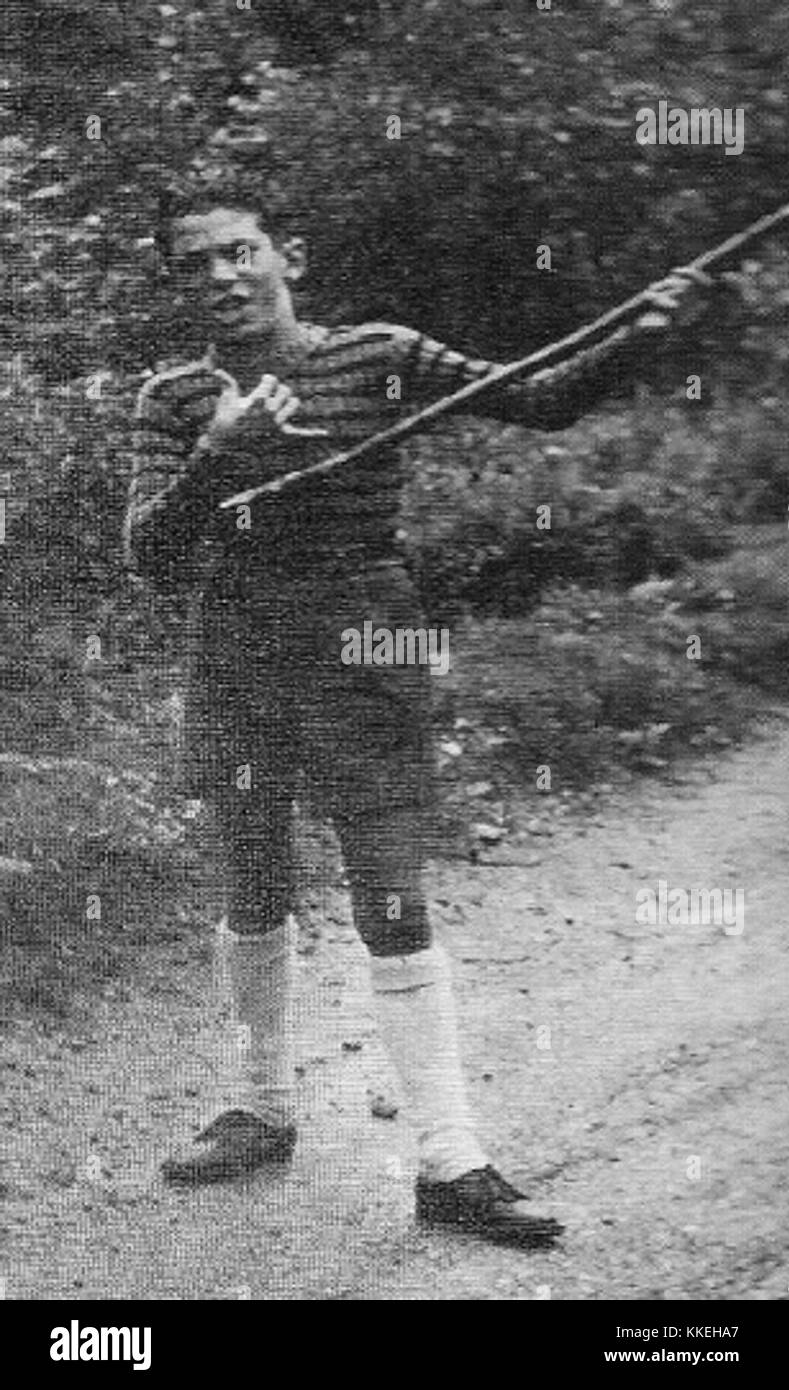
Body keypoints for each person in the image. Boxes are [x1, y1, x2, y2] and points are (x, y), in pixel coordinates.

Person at [124, 195, 707, 1247]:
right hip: (240, 646)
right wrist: (215, 451)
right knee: (250, 878)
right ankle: (261, 1107)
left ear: (284, 255)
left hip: (367, 641)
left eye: (240, 251)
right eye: (195, 264)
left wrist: (646, 332)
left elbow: (540, 401)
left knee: (391, 895)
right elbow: (152, 557)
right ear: (177, 285)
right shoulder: (171, 398)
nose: (222, 276)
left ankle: (451, 1159)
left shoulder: (378, 354)